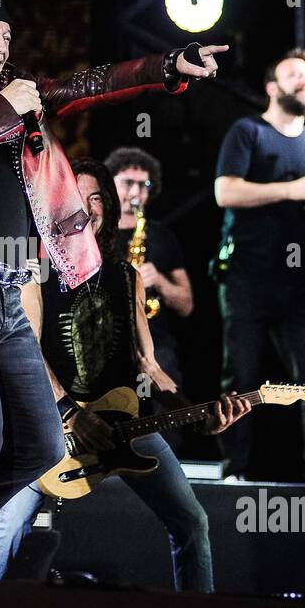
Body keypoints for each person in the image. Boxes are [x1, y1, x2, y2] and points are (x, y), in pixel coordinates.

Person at [0, 0, 225, 580]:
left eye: (7, 37)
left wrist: (165, 67)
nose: (2, 47)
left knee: (43, 451)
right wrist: (4, 109)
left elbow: (87, 85)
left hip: (7, 284)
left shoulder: (17, 93)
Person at [0, 159, 251, 591]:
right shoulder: (36, 271)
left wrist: (196, 412)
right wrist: (71, 414)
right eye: (75, 196)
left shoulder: (126, 276)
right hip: (53, 426)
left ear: (109, 208)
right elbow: (28, 354)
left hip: (125, 423)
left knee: (192, 522)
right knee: (9, 525)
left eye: (95, 197)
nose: (86, 206)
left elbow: (148, 364)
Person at [212, 48, 305, 484]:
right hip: (247, 275)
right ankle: (236, 472)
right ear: (272, 87)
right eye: (294, 75)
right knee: (241, 377)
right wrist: (292, 190)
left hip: (300, 281)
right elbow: (225, 193)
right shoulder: (247, 132)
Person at [105, 147, 193, 431]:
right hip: (107, 345)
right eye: (128, 183)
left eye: (144, 185)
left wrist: (160, 282)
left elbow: (187, 304)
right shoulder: (95, 233)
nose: (136, 192)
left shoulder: (162, 236)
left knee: (167, 428)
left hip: (157, 347)